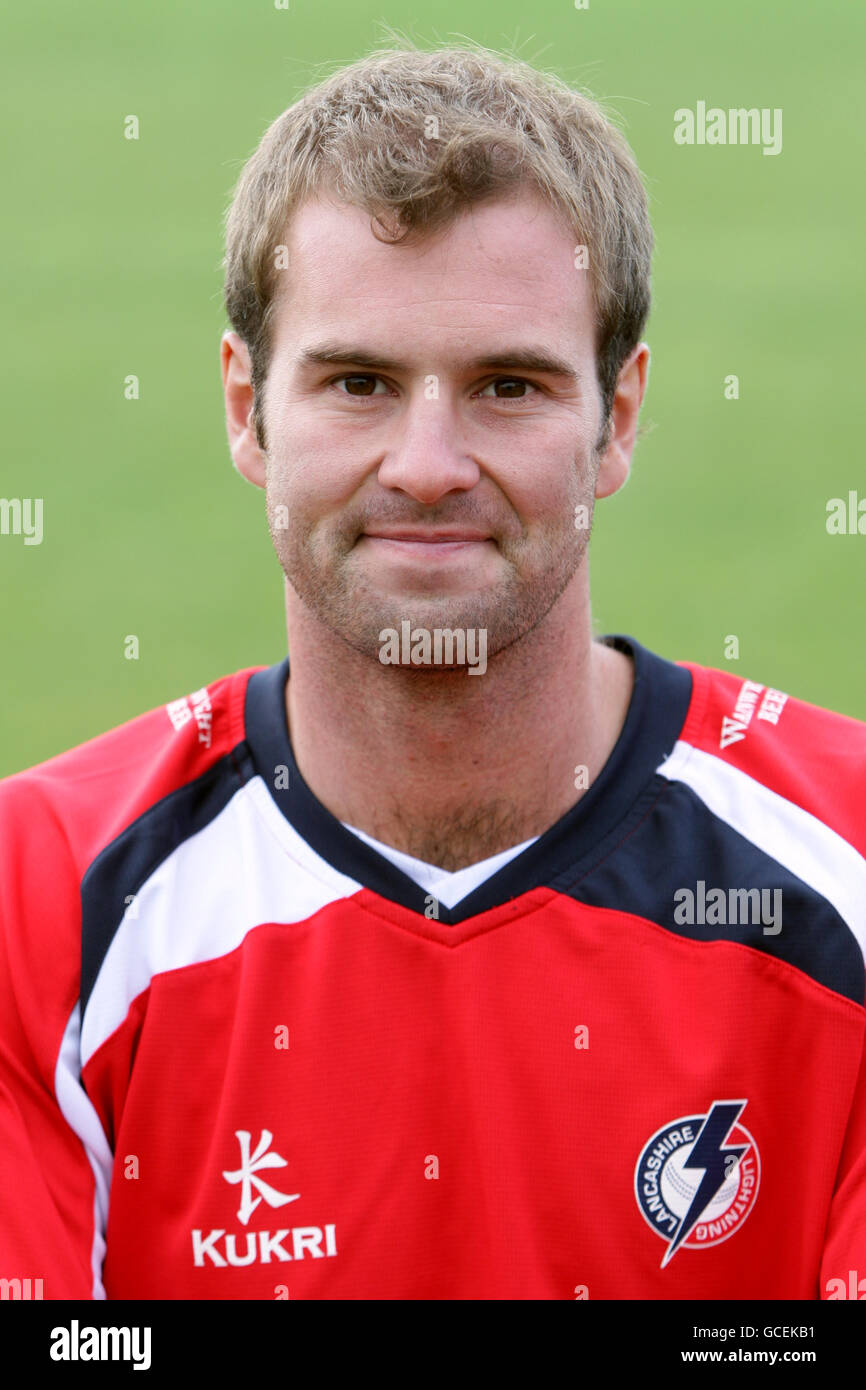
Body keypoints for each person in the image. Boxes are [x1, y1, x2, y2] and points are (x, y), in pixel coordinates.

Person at [1, 43, 864, 1302]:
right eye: (358, 382)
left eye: (506, 386)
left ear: (615, 418)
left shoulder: (843, 862)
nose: (425, 463)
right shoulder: (41, 900)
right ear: (245, 409)